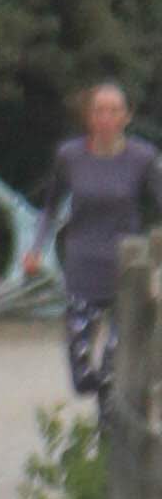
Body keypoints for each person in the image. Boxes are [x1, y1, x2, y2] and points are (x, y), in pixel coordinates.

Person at [29, 79, 162, 411]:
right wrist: (35, 248)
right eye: (100, 110)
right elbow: (50, 206)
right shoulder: (70, 156)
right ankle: (107, 403)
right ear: (88, 117)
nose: (106, 118)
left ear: (127, 116)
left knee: (113, 368)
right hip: (82, 268)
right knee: (83, 373)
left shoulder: (143, 158)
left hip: (126, 272)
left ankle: (110, 429)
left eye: (114, 111)